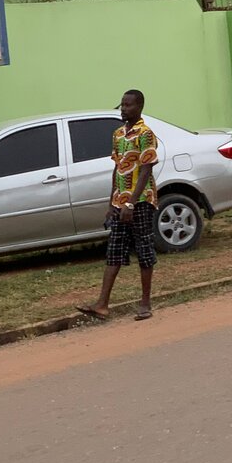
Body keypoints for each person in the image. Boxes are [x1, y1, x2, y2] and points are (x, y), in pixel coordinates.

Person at [77, 89, 158, 321]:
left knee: (144, 250)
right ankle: (102, 304)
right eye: (121, 104)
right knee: (114, 250)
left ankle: (145, 303)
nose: (123, 108)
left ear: (139, 107)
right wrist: (111, 202)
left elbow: (146, 169)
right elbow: (118, 168)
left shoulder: (146, 134)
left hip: (140, 201)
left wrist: (131, 203)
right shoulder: (118, 134)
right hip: (120, 202)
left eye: (128, 105)